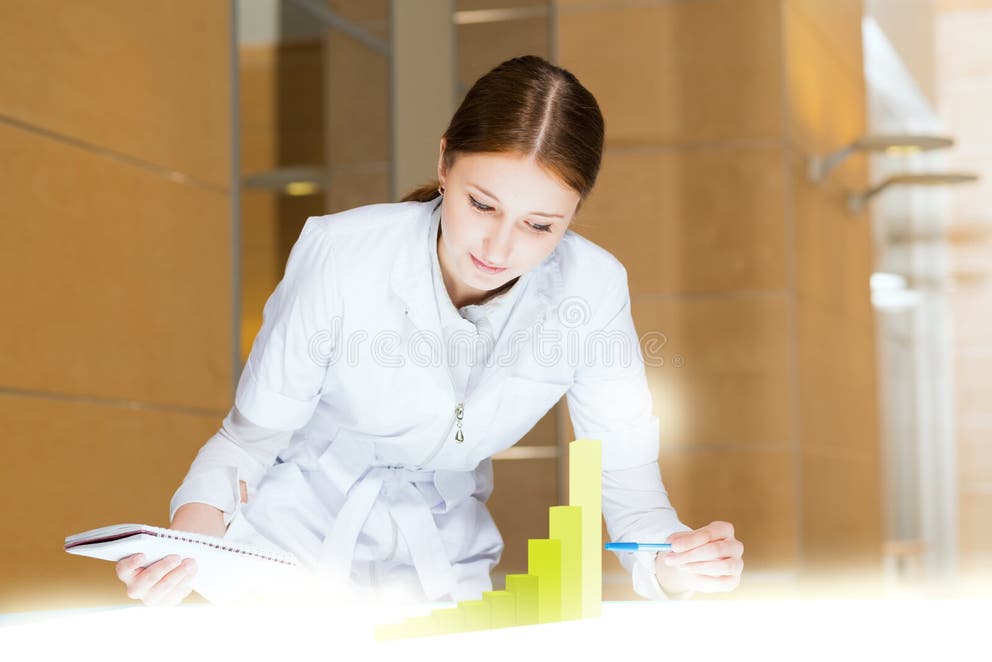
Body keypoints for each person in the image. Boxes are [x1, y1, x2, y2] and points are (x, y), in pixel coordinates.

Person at [116, 55, 744, 608]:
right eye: (482, 205)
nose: (499, 247)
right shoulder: (343, 253)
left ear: (575, 213)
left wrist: (673, 562)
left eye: (540, 225)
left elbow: (628, 478)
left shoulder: (593, 289)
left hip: (443, 563)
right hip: (292, 552)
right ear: (445, 161)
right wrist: (189, 544)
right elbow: (247, 442)